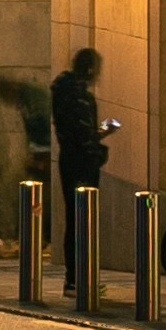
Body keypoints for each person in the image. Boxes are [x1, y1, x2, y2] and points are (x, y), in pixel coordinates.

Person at [50, 45, 108, 269]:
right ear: (91, 70)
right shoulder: (81, 97)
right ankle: (81, 276)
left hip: (67, 159)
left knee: (73, 218)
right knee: (83, 220)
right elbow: (85, 136)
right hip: (82, 164)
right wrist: (100, 139)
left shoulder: (61, 91)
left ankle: (74, 277)